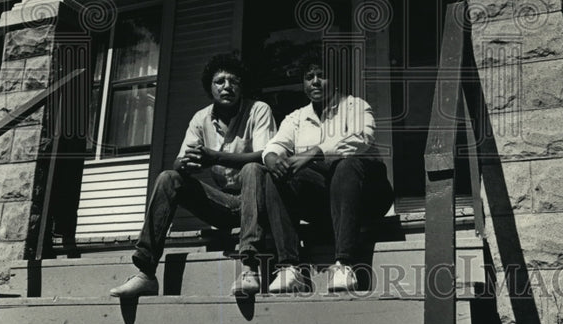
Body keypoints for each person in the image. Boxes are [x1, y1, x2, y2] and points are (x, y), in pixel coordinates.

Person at [110, 53, 276, 299]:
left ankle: (250, 269)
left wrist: (214, 157)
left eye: (234, 81)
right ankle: (145, 273)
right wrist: (187, 164)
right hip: (224, 203)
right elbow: (179, 161)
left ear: (242, 86)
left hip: (258, 202)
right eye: (220, 81)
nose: (227, 86)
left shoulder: (258, 110)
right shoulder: (201, 118)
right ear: (210, 87)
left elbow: (264, 156)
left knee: (253, 169)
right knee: (169, 178)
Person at [260, 48, 393, 293]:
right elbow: (276, 144)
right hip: (326, 201)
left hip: (368, 194)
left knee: (347, 164)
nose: (315, 81)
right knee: (275, 174)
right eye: (309, 77)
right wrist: (271, 158)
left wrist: (315, 152)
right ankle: (289, 267)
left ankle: (345, 264)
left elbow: (361, 138)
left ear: (335, 80)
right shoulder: (296, 118)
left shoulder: (355, 106)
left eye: (322, 75)